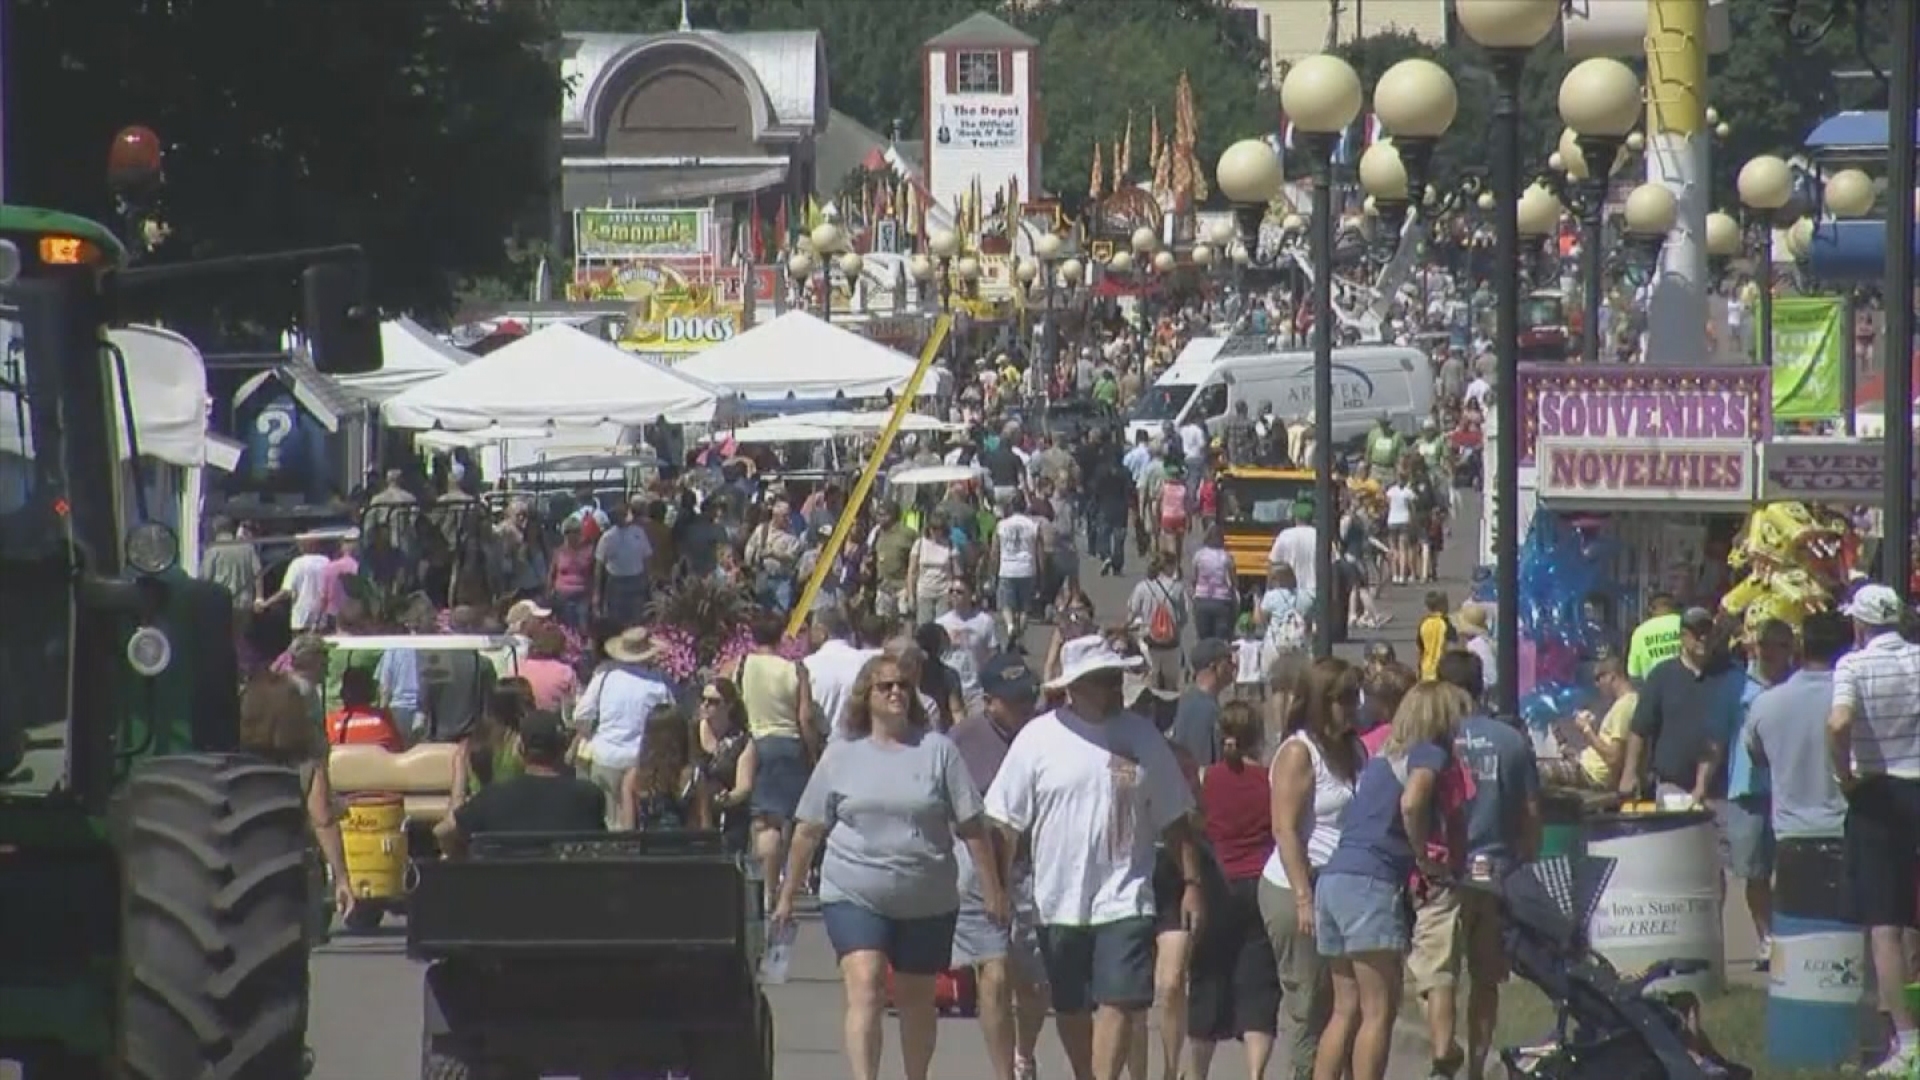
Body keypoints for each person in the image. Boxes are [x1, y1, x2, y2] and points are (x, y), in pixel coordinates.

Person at [774, 656, 1004, 1080]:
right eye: (886, 687)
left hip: (927, 896)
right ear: (867, 697)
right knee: (866, 983)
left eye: (902, 685)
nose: (896, 692)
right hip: (853, 891)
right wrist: (787, 892)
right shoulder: (840, 754)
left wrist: (993, 891)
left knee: (917, 1000)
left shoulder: (939, 751)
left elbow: (972, 826)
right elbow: (808, 830)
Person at [984, 636, 1204, 1080]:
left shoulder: (1142, 738)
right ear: (1075, 686)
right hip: (1057, 897)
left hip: (1126, 894)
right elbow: (1004, 824)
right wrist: (998, 889)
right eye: (1103, 680)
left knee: (1120, 1000)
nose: (1113, 688)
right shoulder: (1038, 739)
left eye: (1115, 678)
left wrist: (1193, 884)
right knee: (1071, 1005)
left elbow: (1175, 819)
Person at [1313, 682, 1470, 1080]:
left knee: (1344, 1008)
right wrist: (1422, 856)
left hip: (1334, 878)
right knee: (1378, 1010)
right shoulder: (1427, 751)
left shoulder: (1384, 755)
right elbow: (1413, 801)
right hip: (1371, 881)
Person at [1426, 650, 1540, 1080]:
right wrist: (1527, 857)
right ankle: (1476, 1066)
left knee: (1440, 973)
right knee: (1486, 978)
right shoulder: (1509, 740)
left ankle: (1442, 1059)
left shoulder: (1435, 740)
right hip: (1495, 869)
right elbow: (1531, 810)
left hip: (1444, 872)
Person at [1826, 583, 1920, 1076]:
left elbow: (1839, 723)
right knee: (1914, 916)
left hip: (1877, 794)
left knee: (1884, 923)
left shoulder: (1854, 665)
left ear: (1860, 625)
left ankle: (1907, 1041)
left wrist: (1843, 774)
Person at [949, 654, 1052, 1080]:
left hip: (1036, 871)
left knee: (1034, 983)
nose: (1026, 706)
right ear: (989, 701)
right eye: (1015, 700)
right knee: (992, 975)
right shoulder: (962, 741)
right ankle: (1002, 1073)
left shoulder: (1047, 732)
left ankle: (1023, 1053)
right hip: (979, 869)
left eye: (1029, 696)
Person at [1260, 658, 1364, 1080]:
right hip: (1297, 887)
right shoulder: (1299, 752)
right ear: (1322, 702)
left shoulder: (1351, 748)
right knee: (1311, 1004)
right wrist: (1304, 896)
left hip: (1342, 887)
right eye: (1343, 699)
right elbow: (1285, 830)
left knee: (1347, 1003)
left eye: (1356, 697)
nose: (1353, 707)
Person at [1187, 701, 1281, 1080]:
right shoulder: (1271, 780)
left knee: (1208, 978)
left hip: (1216, 884)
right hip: (1260, 883)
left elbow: (1195, 828)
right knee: (1259, 981)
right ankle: (1255, 1072)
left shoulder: (1206, 778)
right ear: (1258, 737)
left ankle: (1197, 1073)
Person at [239, 673, 357, 923]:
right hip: (292, 870)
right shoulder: (308, 766)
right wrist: (342, 878)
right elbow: (322, 819)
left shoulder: (236, 764)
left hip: (242, 870)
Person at [433, 712, 606, 859]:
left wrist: (459, 785)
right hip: (570, 894)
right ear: (562, 748)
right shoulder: (590, 797)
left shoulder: (493, 797)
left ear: (521, 749)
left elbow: (444, 833)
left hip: (506, 895)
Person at [1618, 607, 1738, 808]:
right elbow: (1639, 727)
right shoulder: (1662, 675)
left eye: (1707, 632)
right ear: (1683, 636)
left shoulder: (1728, 674)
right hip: (1672, 787)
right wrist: (1629, 773)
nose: (1703, 638)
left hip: (1720, 790)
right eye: (1696, 633)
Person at [1724, 617, 1792, 970]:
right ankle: (1766, 937)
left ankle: (1789, 936)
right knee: (1754, 870)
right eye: (1764, 644)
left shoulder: (1798, 685)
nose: (1770, 652)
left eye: (1778, 645)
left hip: (1787, 789)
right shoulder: (1738, 685)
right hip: (1746, 788)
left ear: (1789, 650)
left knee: (1791, 868)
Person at [574, 628, 677, 827]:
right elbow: (670, 719)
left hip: (605, 757)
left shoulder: (604, 675)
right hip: (641, 762)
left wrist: (593, 734)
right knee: (637, 825)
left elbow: (580, 715)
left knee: (607, 823)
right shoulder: (658, 683)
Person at [619, 702, 705, 831]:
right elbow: (704, 826)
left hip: (647, 848)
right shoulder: (694, 776)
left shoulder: (634, 778)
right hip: (685, 848)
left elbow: (628, 829)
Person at [694, 677, 757, 854]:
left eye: (713, 702)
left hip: (729, 816)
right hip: (693, 815)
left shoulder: (742, 740)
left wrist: (728, 798)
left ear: (729, 706)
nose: (705, 705)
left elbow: (744, 787)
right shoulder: (690, 732)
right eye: (702, 699)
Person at [1129, 553, 1190, 692]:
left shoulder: (1142, 587)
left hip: (1149, 642)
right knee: (1171, 685)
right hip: (1171, 643)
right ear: (1170, 567)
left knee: (1151, 682)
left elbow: (1133, 612)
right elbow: (1184, 618)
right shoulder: (1177, 587)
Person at [1168, 638, 1232, 768]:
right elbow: (1202, 767)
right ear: (1214, 667)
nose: (1233, 666)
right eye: (1228, 661)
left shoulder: (1191, 699)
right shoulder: (1204, 710)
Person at [993, 493, 1045, 643]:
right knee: (1025, 607)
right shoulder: (1033, 525)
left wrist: (993, 570)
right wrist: (1042, 572)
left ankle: (1010, 626)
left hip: (1007, 568)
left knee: (1006, 604)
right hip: (1027, 568)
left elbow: (995, 550)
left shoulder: (1001, 525)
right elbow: (1039, 552)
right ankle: (1020, 634)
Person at [325, 666, 404, 751]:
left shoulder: (331, 722)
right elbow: (398, 749)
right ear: (371, 692)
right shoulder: (385, 719)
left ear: (342, 693)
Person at [1189, 525, 1238, 642]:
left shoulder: (1199, 555)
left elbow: (1194, 578)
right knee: (1221, 639)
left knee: (1203, 638)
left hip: (1201, 598)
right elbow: (1234, 580)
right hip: (1222, 600)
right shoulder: (1226, 556)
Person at [1626, 592, 1682, 681]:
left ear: (1651, 609)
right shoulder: (1684, 624)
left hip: (1653, 689)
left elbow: (1634, 673)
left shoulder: (1640, 632)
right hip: (1685, 686)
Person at [1416, 591, 1454, 682]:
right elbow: (1452, 645)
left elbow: (1419, 649)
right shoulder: (1446, 623)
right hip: (1442, 669)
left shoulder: (1423, 623)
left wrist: (1418, 668)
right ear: (1441, 606)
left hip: (1426, 669)